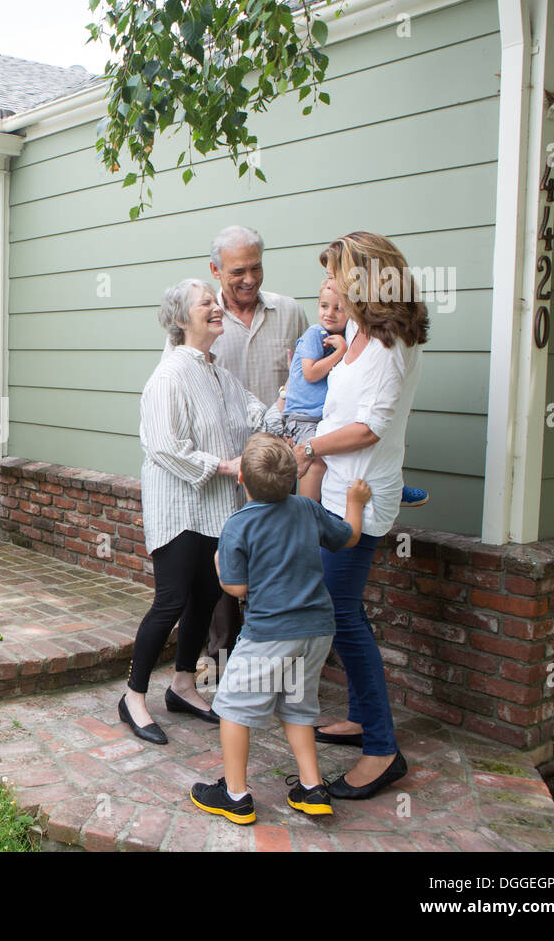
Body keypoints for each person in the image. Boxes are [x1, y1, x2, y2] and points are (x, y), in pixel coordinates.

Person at [292, 231, 428, 799]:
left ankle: (382, 751)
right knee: (344, 610)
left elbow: (370, 427)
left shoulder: (390, 349)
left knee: (341, 613)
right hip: (335, 489)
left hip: (361, 495)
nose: (334, 288)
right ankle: (360, 718)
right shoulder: (357, 331)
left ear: (367, 281)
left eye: (342, 277)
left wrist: (311, 449)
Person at [119, 279, 275, 744]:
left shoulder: (221, 374)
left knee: (206, 600)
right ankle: (132, 697)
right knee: (170, 601)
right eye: (205, 302)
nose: (216, 306)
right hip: (180, 509)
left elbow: (257, 416)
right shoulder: (169, 376)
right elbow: (164, 447)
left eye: (215, 300)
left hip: (219, 511)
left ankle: (183, 684)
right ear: (181, 319)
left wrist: (299, 397)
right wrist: (224, 465)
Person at [190, 434, 371, 824]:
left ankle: (235, 796)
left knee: (235, 709)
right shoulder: (307, 509)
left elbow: (237, 588)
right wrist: (355, 503)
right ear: (292, 479)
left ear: (241, 478)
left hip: (269, 634)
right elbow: (350, 537)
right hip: (317, 631)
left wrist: (221, 565)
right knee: (297, 706)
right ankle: (312, 788)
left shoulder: (238, 524)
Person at [203, 225, 310, 676]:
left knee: (280, 559)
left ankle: (280, 662)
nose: (249, 279)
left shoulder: (289, 313)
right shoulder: (202, 320)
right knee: (228, 562)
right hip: (228, 466)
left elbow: (310, 374)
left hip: (281, 466)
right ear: (215, 270)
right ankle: (220, 662)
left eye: (256, 267)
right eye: (237, 271)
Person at [282, 279, 430, 505]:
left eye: (338, 308)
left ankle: (392, 485)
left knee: (369, 440)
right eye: (324, 306)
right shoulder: (316, 334)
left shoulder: (351, 333)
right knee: (317, 461)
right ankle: (307, 512)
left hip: (323, 414)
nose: (329, 314)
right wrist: (339, 352)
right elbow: (310, 373)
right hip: (304, 416)